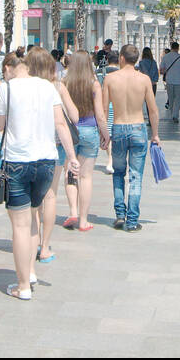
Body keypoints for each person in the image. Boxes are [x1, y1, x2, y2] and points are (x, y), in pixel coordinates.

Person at [0, 49, 79, 300]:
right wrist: (72, 158)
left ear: (8, 69)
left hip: (17, 161)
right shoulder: (47, 87)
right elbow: (61, 124)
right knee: (32, 218)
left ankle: (23, 286)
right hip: (46, 162)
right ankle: (29, 271)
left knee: (19, 225)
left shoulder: (5, 89)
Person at [27, 47, 79, 264]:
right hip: (53, 146)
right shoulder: (57, 86)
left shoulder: (21, 87)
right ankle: (45, 246)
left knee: (31, 199)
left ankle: (31, 241)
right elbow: (74, 117)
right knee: (49, 195)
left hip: (28, 147)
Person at [102, 44, 160, 231]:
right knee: (136, 176)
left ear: (121, 58)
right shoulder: (144, 80)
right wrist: (155, 135)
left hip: (118, 127)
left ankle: (120, 215)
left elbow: (103, 110)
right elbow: (153, 110)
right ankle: (132, 220)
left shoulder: (110, 79)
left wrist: (104, 134)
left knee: (118, 173)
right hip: (138, 127)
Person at [61, 51, 108, 231]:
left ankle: (72, 211)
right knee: (86, 176)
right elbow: (100, 115)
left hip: (70, 131)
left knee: (70, 172)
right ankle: (83, 220)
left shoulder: (65, 82)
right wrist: (106, 135)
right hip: (89, 130)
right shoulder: (94, 84)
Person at [159, 41, 180, 123]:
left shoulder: (165, 57)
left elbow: (161, 70)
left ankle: (172, 114)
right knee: (178, 99)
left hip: (169, 81)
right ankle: (175, 115)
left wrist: (167, 72)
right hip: (179, 81)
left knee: (171, 99)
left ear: (171, 47)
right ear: (178, 48)